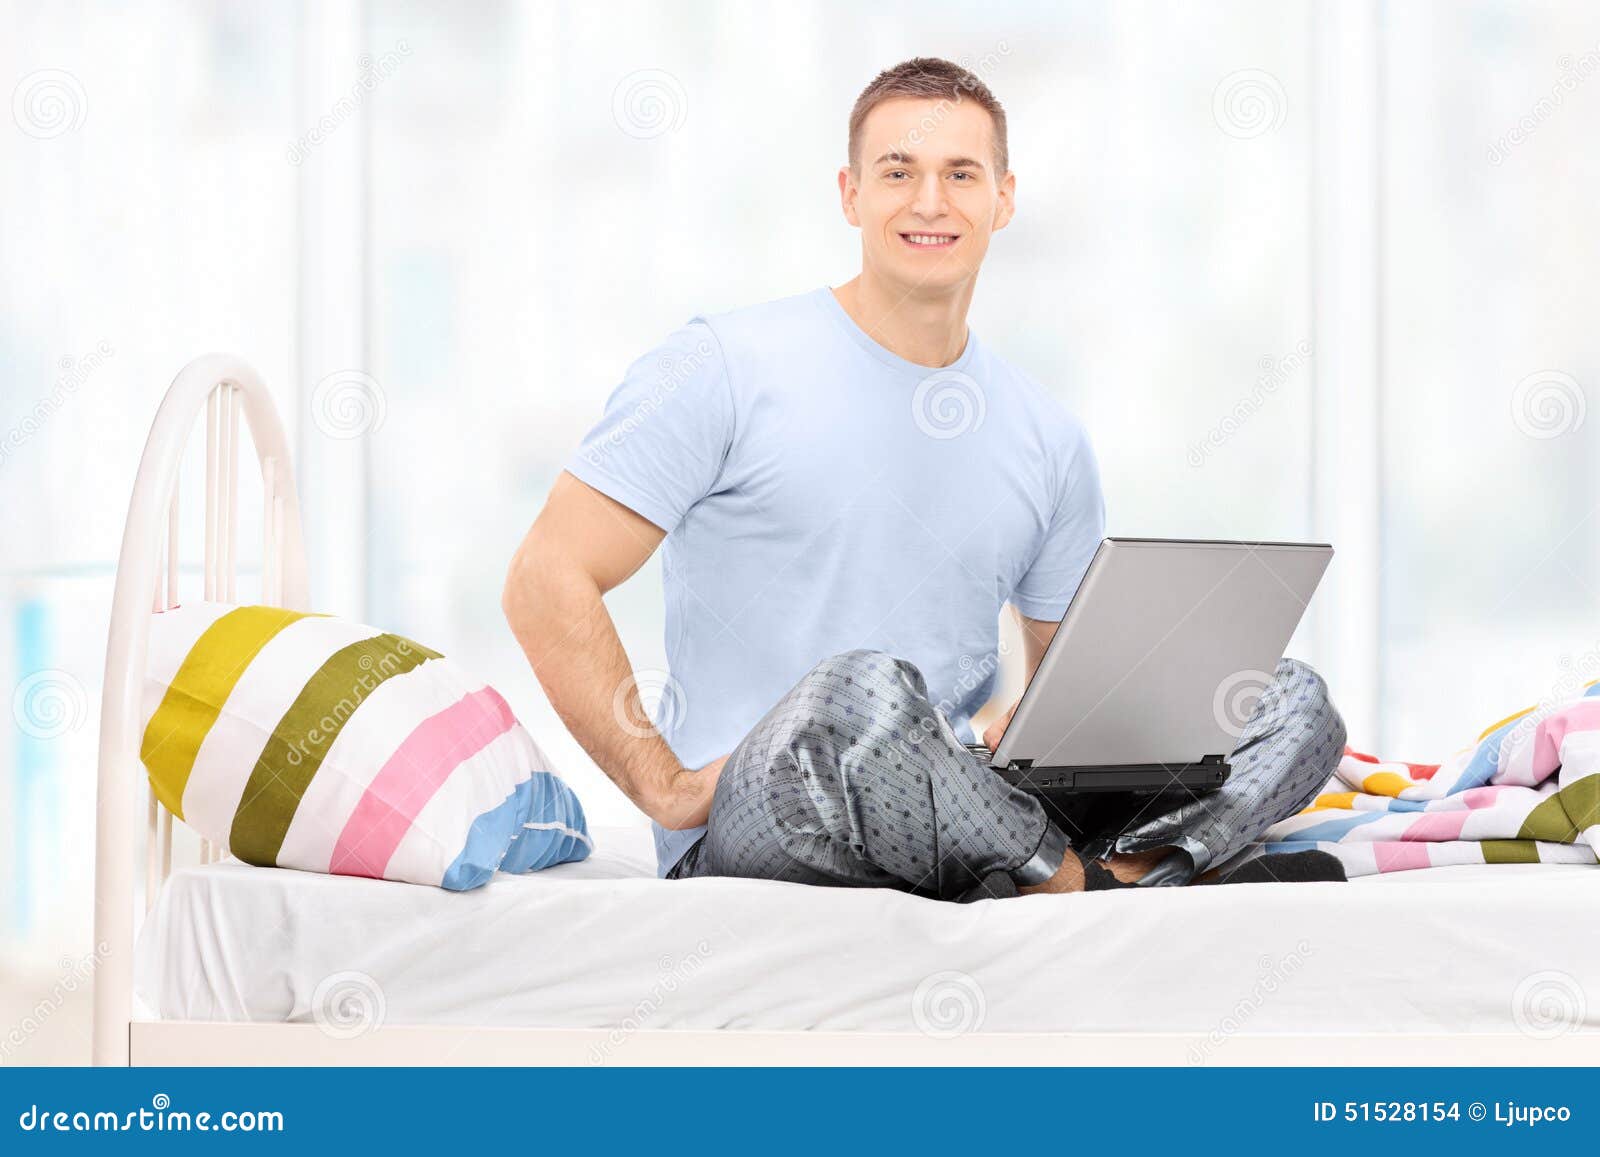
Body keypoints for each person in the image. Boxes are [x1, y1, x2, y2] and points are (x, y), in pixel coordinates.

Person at [503, 57, 1346, 900]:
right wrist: (665, 786)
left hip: (964, 806)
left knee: (1289, 698)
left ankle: (1112, 874)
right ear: (850, 193)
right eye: (899, 172)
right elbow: (545, 579)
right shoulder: (722, 365)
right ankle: (1091, 888)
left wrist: (1010, 726)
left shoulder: (1046, 437)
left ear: (1003, 199)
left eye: (961, 175)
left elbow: (1070, 708)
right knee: (859, 689)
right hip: (773, 810)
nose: (931, 202)